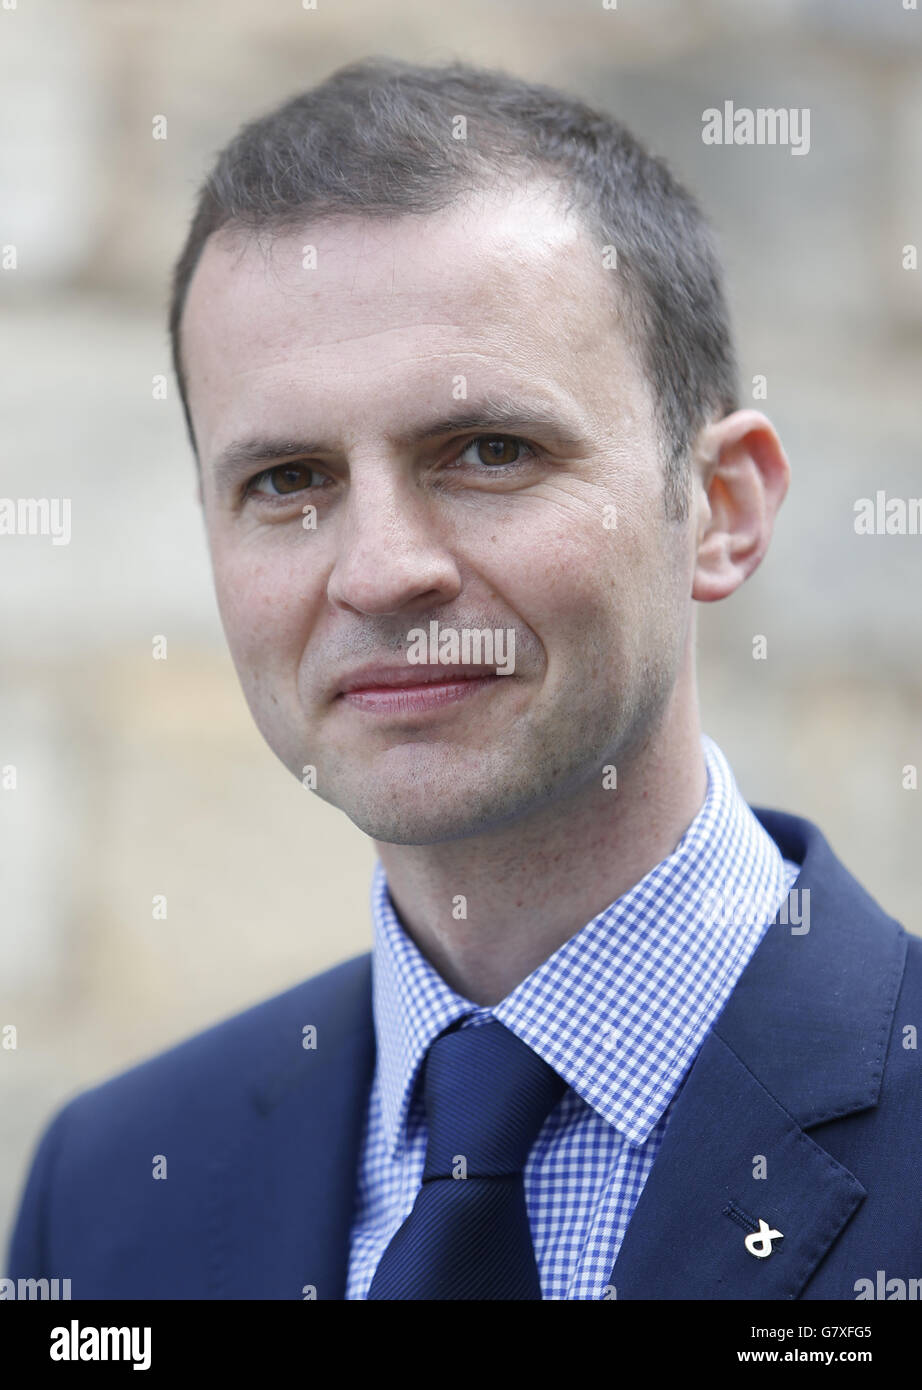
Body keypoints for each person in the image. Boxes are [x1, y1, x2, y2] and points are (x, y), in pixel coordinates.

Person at [6, 57, 920, 1302]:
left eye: (488, 451)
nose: (381, 572)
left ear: (717, 507)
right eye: (287, 481)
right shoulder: (112, 1193)